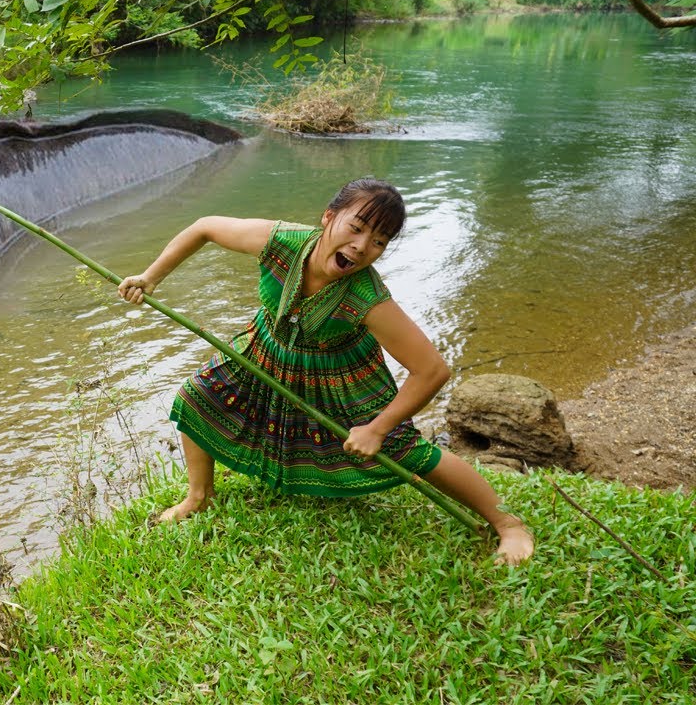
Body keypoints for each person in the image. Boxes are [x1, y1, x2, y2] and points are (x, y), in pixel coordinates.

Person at [118, 178, 534, 565]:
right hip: (266, 352)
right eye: (356, 228)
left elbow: (431, 371)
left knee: (407, 451)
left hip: (340, 379)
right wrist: (151, 277)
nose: (361, 247)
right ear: (328, 217)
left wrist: (378, 428)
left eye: (378, 241)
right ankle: (198, 497)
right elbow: (205, 226)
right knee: (199, 397)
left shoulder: (367, 297)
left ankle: (507, 524)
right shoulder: (280, 243)